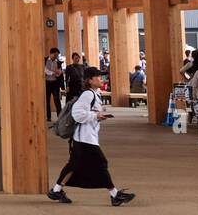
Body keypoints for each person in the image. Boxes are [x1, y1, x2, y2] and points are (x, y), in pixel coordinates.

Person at [48, 67, 134, 206]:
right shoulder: (88, 95)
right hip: (85, 139)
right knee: (101, 163)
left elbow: (87, 114)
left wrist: (98, 116)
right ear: (90, 80)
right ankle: (114, 194)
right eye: (98, 77)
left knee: (73, 165)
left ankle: (56, 190)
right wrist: (96, 115)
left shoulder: (95, 94)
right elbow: (77, 114)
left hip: (85, 138)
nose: (101, 79)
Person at [44, 47, 64, 121]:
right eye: (55, 55)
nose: (56, 57)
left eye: (57, 55)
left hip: (55, 83)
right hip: (47, 83)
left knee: (57, 100)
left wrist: (60, 72)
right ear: (51, 54)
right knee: (47, 100)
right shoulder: (45, 60)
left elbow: (60, 71)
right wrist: (54, 72)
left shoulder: (58, 62)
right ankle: (48, 117)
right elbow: (45, 71)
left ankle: (60, 116)